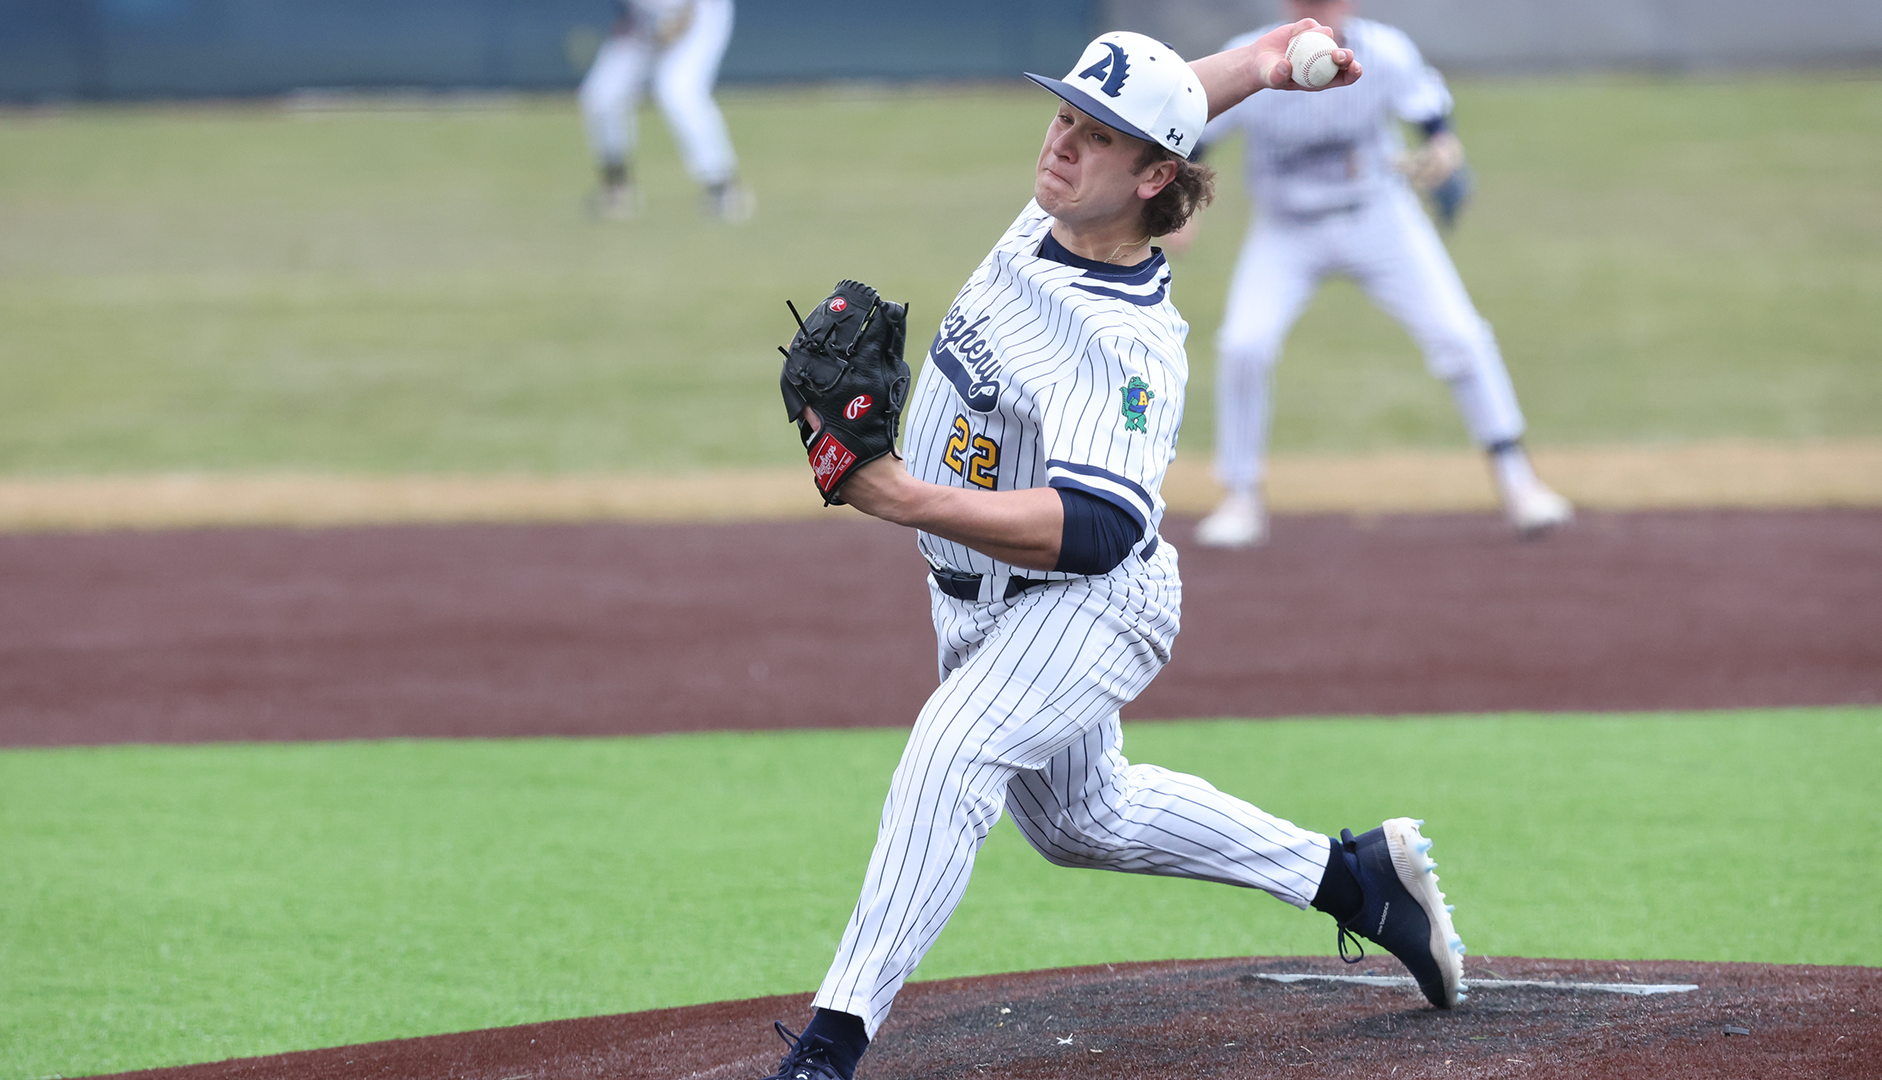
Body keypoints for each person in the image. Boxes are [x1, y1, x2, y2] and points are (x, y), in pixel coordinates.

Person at [755, 25, 1465, 1080]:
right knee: (1085, 819)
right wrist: (1266, 63)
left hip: (1091, 604)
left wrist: (899, 495)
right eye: (1064, 115)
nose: (1061, 142)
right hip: (981, 598)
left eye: (1095, 135)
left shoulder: (1125, 346)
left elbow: (1099, 528)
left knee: (954, 752)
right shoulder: (1053, 213)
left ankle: (829, 1046)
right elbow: (1174, 102)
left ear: (1150, 178)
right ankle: (1354, 878)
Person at [1188, 0, 1571, 549]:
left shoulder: (1386, 51)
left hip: (1379, 218)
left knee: (1459, 335)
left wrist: (1443, 151)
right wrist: (1176, 210)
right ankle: (1241, 495)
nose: (1319, 9)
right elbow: (1193, 136)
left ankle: (1519, 481)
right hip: (1286, 228)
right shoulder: (1250, 59)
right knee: (1245, 345)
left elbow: (1431, 116)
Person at [576, 0, 753, 221]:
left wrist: (681, 20)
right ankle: (616, 189)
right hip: (644, 19)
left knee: (678, 92)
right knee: (601, 95)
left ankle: (723, 189)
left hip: (699, 13)